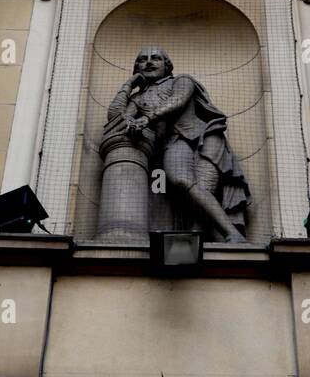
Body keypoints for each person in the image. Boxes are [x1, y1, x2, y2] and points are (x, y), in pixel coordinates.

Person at [102, 45, 251, 243]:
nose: (148, 62)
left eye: (155, 58)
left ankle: (231, 236)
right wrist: (129, 84)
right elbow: (116, 118)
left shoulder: (182, 80)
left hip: (203, 141)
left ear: (167, 65)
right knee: (186, 195)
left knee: (188, 185)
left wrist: (147, 119)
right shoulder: (138, 98)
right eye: (142, 59)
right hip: (172, 144)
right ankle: (226, 238)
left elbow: (178, 101)